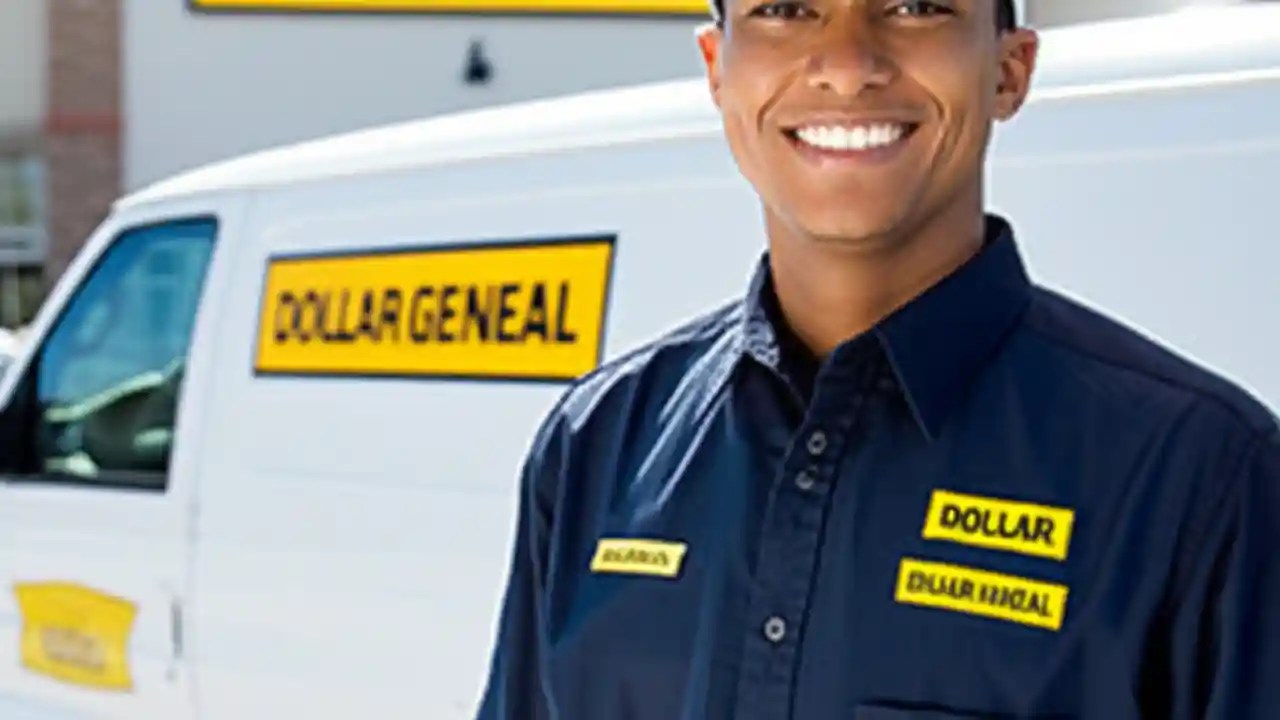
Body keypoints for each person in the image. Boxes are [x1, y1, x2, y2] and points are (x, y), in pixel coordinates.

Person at [475, 0, 1280, 717]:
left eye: (916, 6)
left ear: (1010, 69)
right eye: (788, 9)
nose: (848, 65)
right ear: (718, 67)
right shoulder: (599, 446)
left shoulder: (1201, 479)